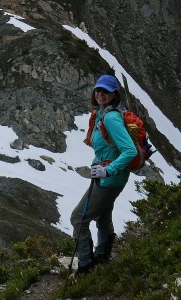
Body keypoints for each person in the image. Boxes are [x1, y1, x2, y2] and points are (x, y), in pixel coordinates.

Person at [70, 74, 137, 275]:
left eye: (106, 91)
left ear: (114, 94)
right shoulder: (102, 114)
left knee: (78, 219)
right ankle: (102, 257)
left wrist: (107, 169)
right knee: (102, 217)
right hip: (106, 176)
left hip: (110, 178)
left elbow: (130, 151)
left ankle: (86, 265)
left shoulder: (111, 117)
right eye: (98, 90)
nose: (101, 94)